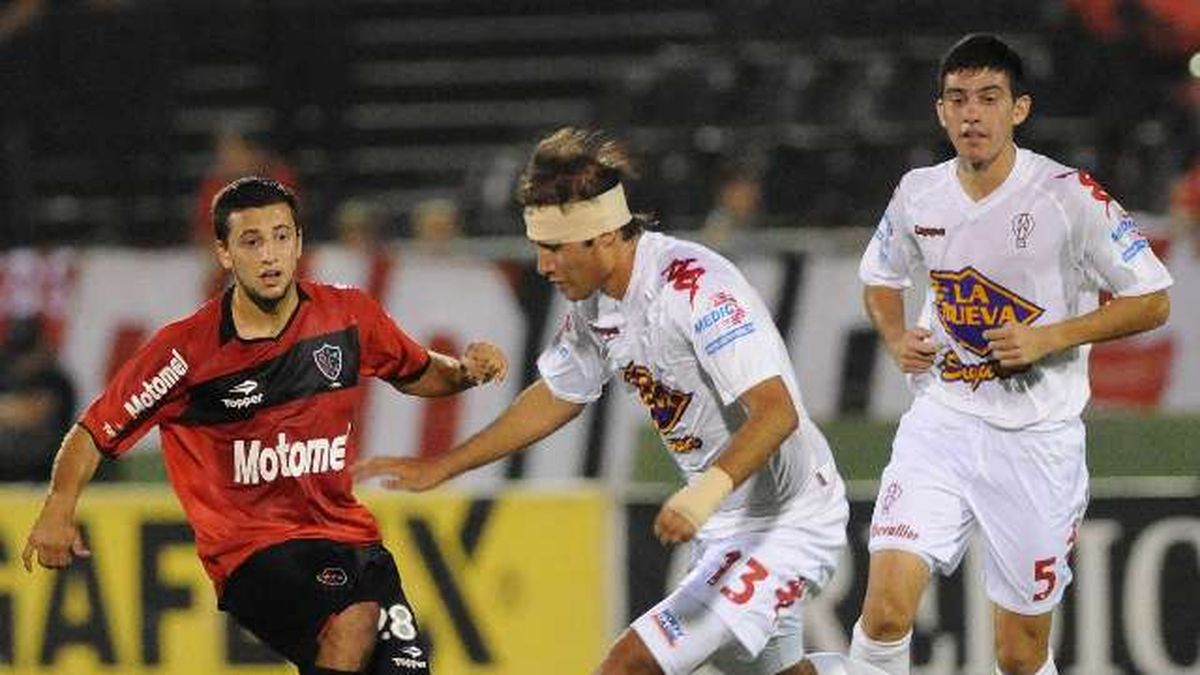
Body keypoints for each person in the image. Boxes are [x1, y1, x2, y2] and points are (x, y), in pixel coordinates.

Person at [354, 127, 886, 675]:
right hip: (725, 523)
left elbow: (776, 413)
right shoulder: (597, 303)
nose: (544, 267)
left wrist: (703, 493)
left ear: (605, 237)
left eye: (555, 249)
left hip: (785, 520)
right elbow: (560, 393)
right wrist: (443, 467)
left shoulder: (695, 288)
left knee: (627, 667)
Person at [23, 176, 509, 675]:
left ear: (299, 242)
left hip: (351, 539)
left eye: (281, 236)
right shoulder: (186, 352)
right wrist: (59, 507)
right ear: (225, 254)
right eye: (252, 242)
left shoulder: (347, 316)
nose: (270, 255)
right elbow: (93, 430)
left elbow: (418, 372)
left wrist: (465, 372)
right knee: (353, 620)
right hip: (252, 550)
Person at [852, 34, 1172, 675]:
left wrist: (1049, 337)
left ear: (1018, 110)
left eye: (989, 98)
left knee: (1020, 655)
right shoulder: (918, 192)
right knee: (885, 612)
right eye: (958, 99)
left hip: (1037, 442)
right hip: (940, 425)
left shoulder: (1069, 195)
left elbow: (1153, 299)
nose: (973, 114)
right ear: (941, 111)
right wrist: (895, 338)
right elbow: (879, 276)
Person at [0, 316, 75, 481]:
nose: (21, 361)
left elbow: (33, 413)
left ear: (41, 348)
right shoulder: (6, 373)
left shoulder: (55, 379)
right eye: (17, 354)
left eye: (27, 353)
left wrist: (8, 408)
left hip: (46, 471)